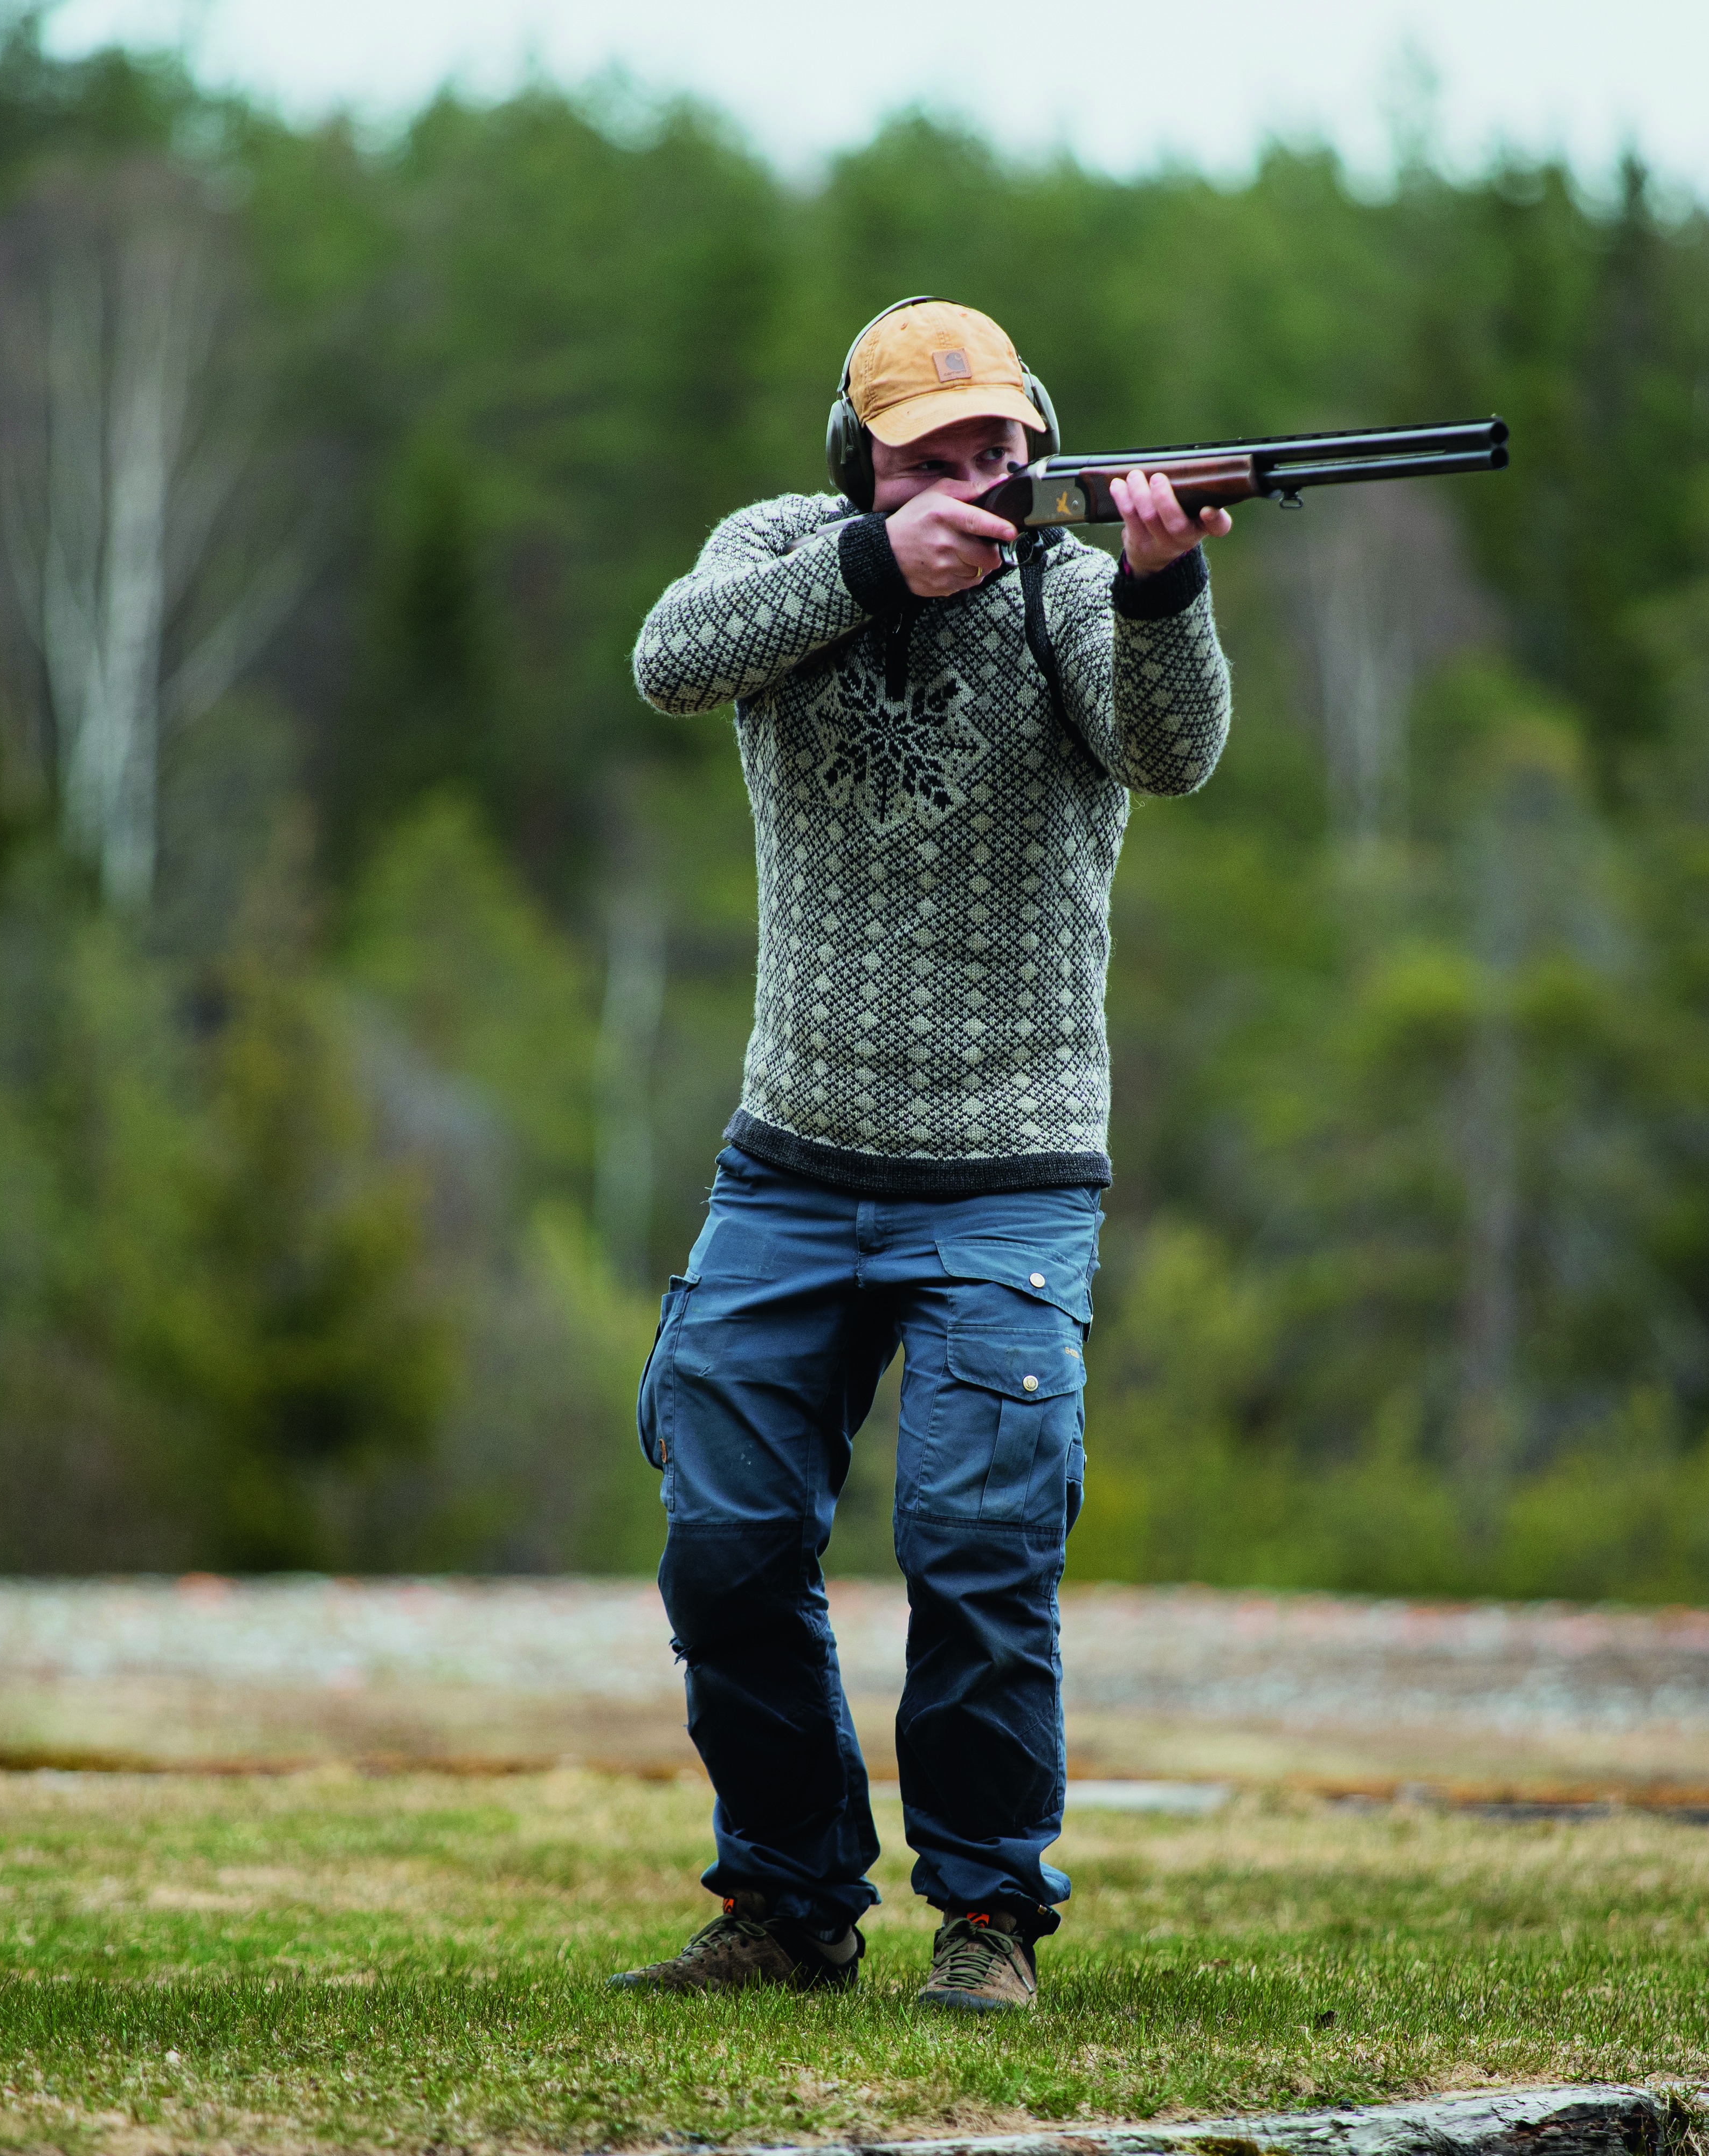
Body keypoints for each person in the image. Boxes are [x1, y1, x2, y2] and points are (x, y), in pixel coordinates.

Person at [611, 297, 1232, 2015]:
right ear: (860, 459)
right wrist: (887, 570)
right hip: (789, 1163)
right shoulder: (785, 552)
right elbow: (670, 659)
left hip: (1013, 1175)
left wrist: (1170, 584)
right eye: (934, 456)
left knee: (978, 1553)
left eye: (1003, 453)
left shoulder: (1077, 591)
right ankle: (789, 1907)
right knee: (726, 1548)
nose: (980, 480)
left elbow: (1173, 751)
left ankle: (986, 1923)